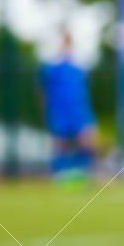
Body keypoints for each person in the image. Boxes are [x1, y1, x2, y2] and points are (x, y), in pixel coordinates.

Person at [38, 31, 97, 184]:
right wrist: (45, 110)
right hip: (59, 109)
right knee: (59, 141)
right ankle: (58, 174)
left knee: (87, 137)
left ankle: (87, 171)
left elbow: (86, 86)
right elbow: (43, 90)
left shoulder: (79, 65)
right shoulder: (52, 66)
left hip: (78, 108)